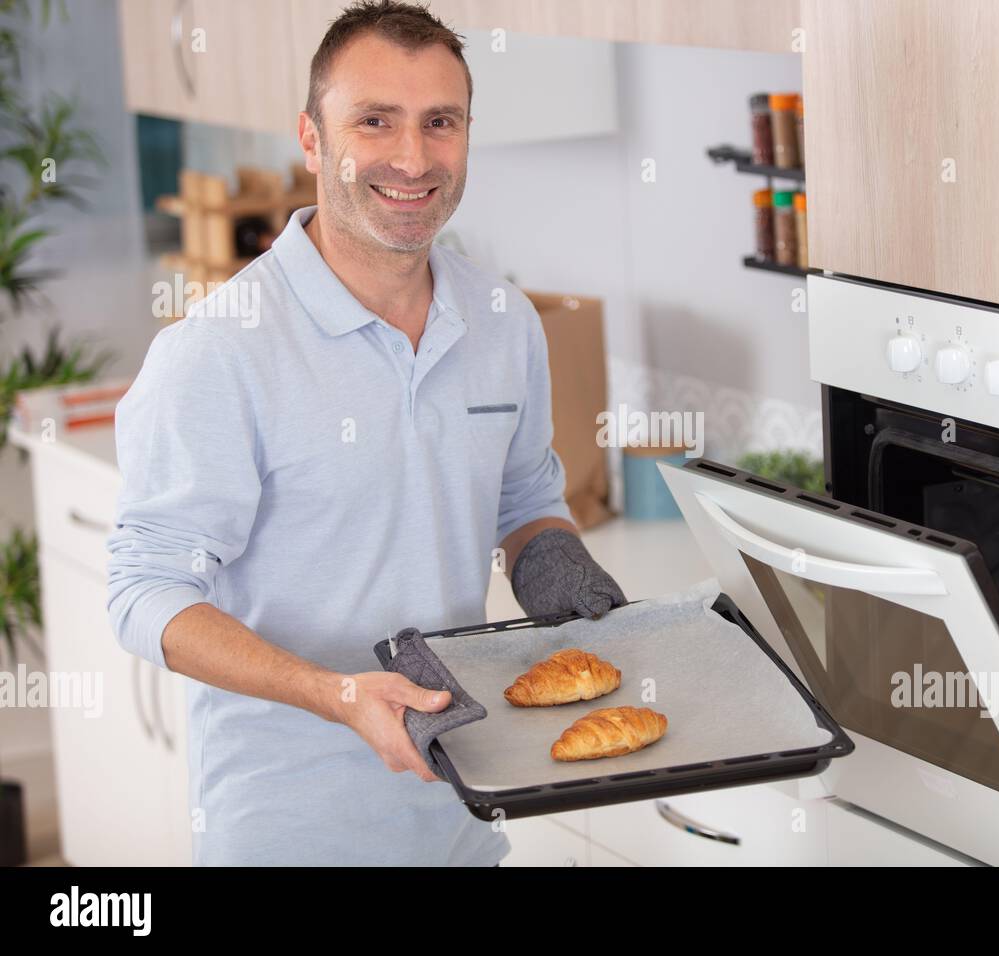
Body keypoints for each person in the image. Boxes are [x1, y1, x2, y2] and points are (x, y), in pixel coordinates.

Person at [106, 0, 625, 866]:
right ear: (312, 139)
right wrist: (333, 691)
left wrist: (570, 586)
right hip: (287, 833)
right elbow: (144, 591)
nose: (413, 159)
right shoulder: (218, 351)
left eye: (440, 123)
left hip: (461, 812)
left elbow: (525, 497)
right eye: (374, 121)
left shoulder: (502, 321)